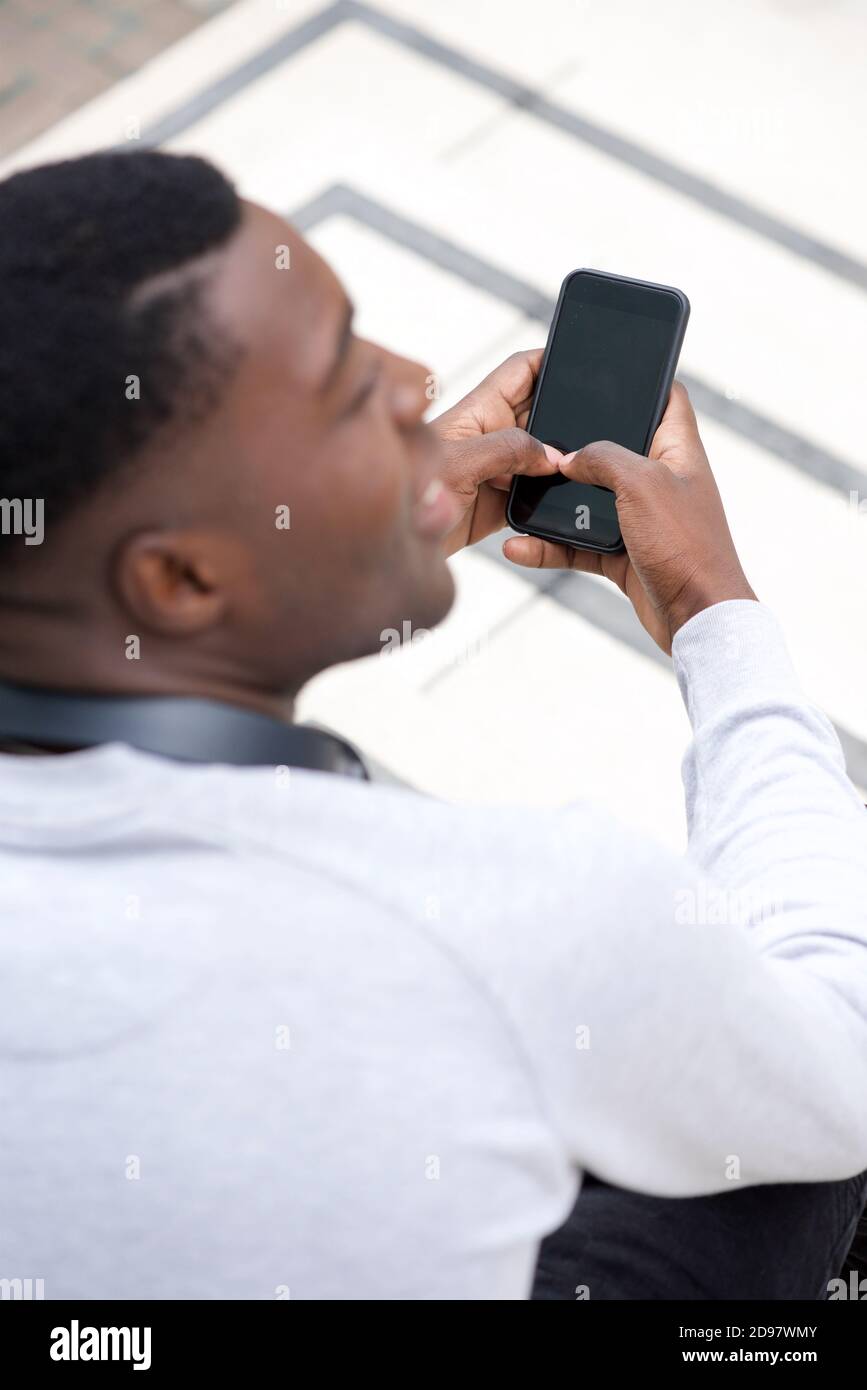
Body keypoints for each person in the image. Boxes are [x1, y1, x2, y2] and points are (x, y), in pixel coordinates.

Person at [1, 150, 866, 1302]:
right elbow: (841, 1049)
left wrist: (341, 539)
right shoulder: (518, 911)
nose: (416, 381)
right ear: (179, 581)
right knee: (775, 1133)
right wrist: (717, 612)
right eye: (347, 390)